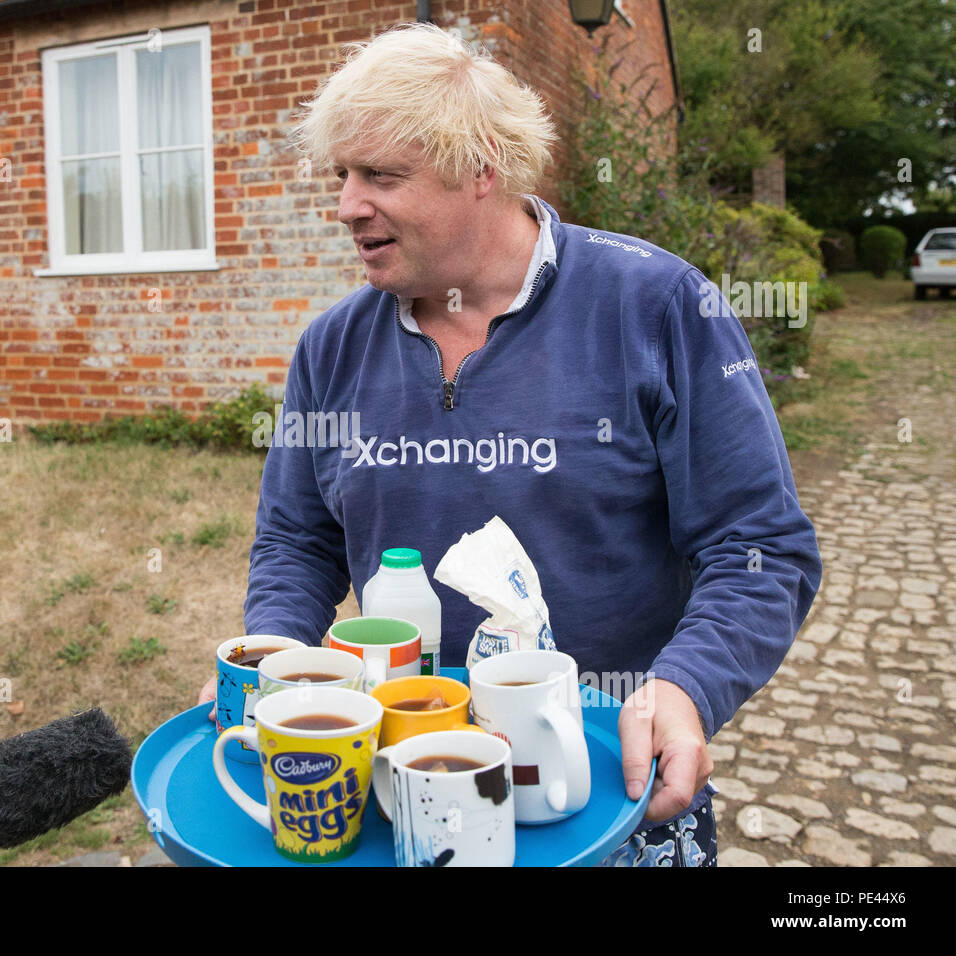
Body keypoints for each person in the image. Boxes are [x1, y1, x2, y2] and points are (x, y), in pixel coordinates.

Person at [200, 24, 821, 866]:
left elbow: (759, 545)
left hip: (606, 787)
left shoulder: (658, 306)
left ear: (481, 168)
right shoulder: (331, 349)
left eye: (381, 175)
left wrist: (687, 689)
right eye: (343, 175)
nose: (347, 203)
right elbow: (298, 539)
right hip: (399, 782)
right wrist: (271, 661)